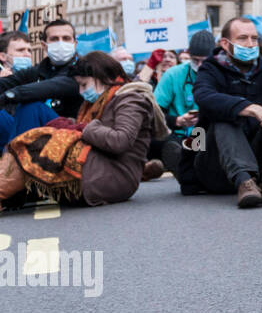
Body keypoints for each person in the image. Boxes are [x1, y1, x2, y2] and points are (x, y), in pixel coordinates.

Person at [0, 50, 167, 208]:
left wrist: (79, 128)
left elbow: (119, 141)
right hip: (98, 165)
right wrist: (69, 125)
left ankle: (7, 192)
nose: (80, 91)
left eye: (84, 84)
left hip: (114, 177)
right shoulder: (97, 100)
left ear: (102, 78)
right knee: (34, 123)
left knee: (43, 139)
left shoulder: (131, 99)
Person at [192, 17, 262, 208]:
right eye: (243, 38)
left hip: (259, 157)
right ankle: (245, 181)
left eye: (254, 38)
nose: (251, 44)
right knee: (225, 115)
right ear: (225, 44)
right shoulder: (210, 68)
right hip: (218, 162)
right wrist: (249, 108)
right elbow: (203, 96)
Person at [0, 19, 79, 144]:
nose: (61, 43)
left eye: (66, 38)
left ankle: (15, 160)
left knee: (31, 106)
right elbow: (8, 82)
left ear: (74, 43)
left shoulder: (82, 69)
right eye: (54, 39)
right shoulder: (38, 70)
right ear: (44, 45)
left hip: (68, 132)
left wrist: (9, 96)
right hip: (36, 130)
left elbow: (51, 87)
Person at [154, 30, 214, 182]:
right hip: (179, 133)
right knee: (164, 142)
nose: (199, 66)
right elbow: (155, 113)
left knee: (203, 143)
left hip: (209, 133)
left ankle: (189, 170)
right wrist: (178, 121)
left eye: (204, 61)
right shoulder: (173, 75)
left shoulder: (222, 73)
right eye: (195, 60)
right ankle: (185, 166)